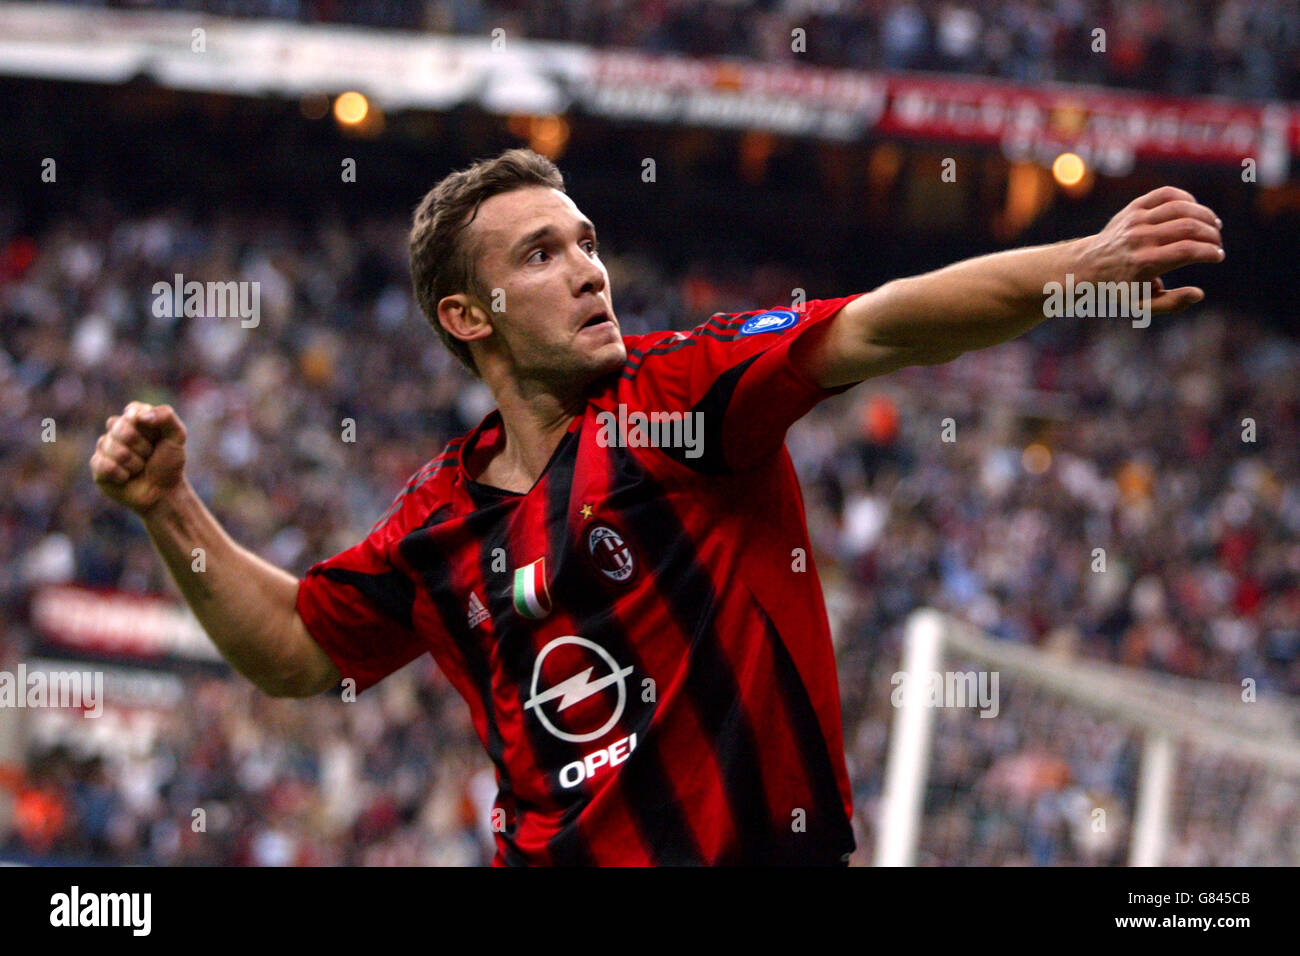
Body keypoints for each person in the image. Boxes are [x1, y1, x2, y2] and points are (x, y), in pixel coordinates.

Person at [90, 148, 1223, 865]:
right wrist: (169, 506)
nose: (590, 269)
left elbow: (884, 321)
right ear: (468, 315)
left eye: (587, 240)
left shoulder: (683, 394)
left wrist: (1084, 262)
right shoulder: (436, 523)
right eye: (541, 253)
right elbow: (297, 651)